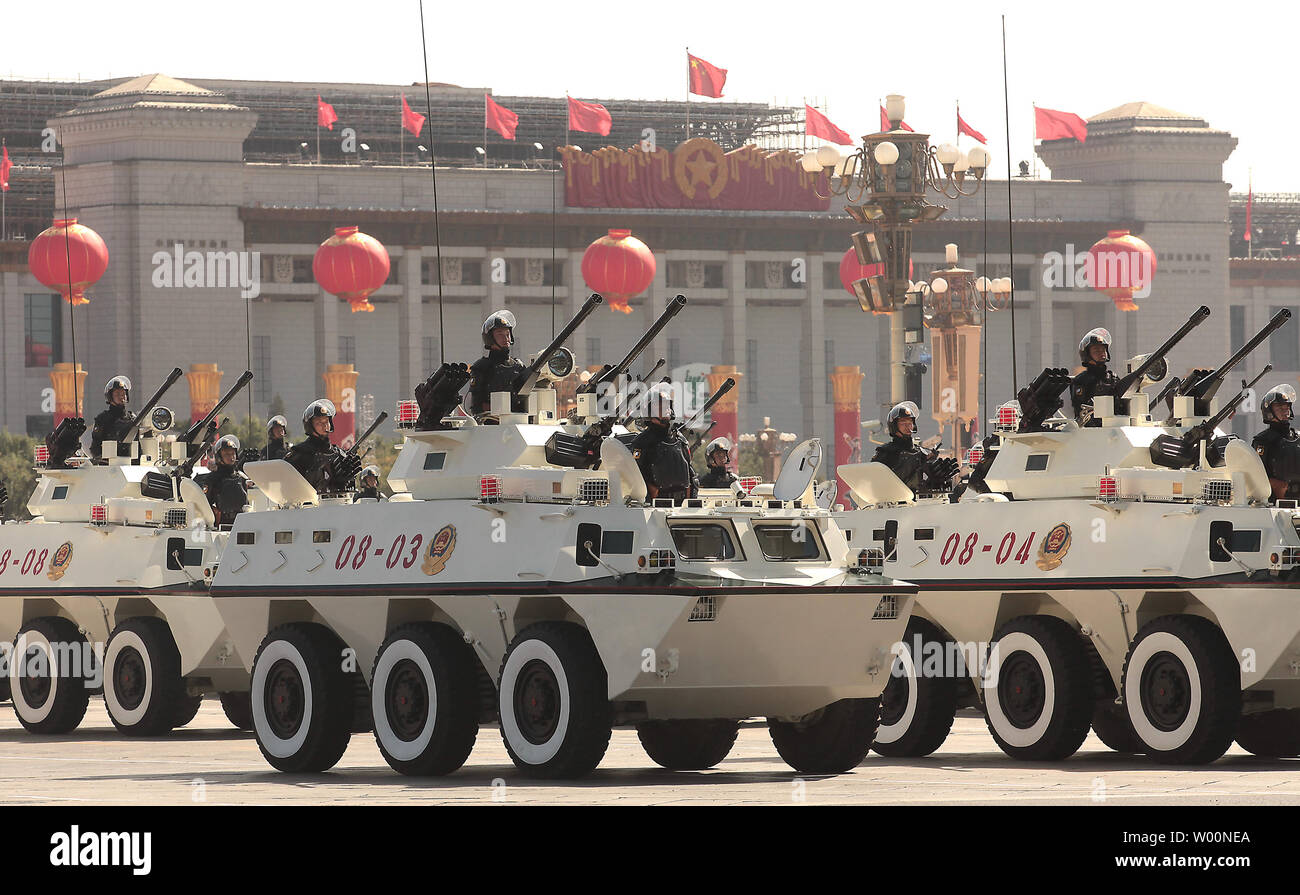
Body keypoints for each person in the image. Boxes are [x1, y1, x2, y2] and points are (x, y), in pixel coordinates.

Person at [871, 401, 959, 495]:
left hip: (922, 504)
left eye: (910, 422)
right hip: (894, 504)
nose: (908, 426)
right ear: (894, 426)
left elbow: (927, 484)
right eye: (903, 422)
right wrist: (917, 462)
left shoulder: (922, 453)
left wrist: (936, 476)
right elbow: (874, 481)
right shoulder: (885, 452)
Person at [630, 385, 698, 503]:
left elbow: (690, 473)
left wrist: (690, 500)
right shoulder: (641, 442)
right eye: (660, 406)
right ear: (649, 411)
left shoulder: (679, 438)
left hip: (682, 506)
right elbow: (636, 474)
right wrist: (651, 494)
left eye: (667, 405)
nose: (665, 409)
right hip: (655, 506)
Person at [283, 399, 362, 493]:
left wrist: (347, 475)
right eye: (319, 423)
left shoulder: (338, 453)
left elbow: (349, 489)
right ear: (310, 426)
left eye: (326, 421)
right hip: (309, 506)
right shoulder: (299, 454)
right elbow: (287, 485)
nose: (324, 426)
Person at [468, 309, 527, 414]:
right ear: (490, 338)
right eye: (500, 334)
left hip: (518, 422)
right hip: (492, 425)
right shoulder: (482, 367)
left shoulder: (519, 367)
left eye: (508, 334)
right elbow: (477, 406)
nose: (506, 338)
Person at [1253, 385, 1300, 502]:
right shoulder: (1263, 441)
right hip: (1274, 504)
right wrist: (1277, 487)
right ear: (1269, 412)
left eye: (1287, 407)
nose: (1285, 410)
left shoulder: (1297, 436)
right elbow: (1256, 474)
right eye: (1279, 407)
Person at [197, 434, 248, 525]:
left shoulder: (241, 477)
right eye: (226, 454)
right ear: (219, 456)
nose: (231, 457)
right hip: (221, 525)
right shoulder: (212, 479)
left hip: (242, 523)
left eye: (232, 453)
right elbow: (205, 504)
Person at [1070, 328, 1117, 426]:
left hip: (1113, 425)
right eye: (1096, 350)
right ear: (1087, 355)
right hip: (1091, 431)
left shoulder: (1113, 378)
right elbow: (1080, 409)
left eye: (1103, 349)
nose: (1102, 353)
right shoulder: (1081, 381)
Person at [90, 375, 137, 460]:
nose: (121, 396)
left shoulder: (133, 419)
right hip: (109, 466)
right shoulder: (103, 419)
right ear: (110, 397)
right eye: (117, 394)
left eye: (123, 393)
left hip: (132, 464)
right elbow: (95, 446)